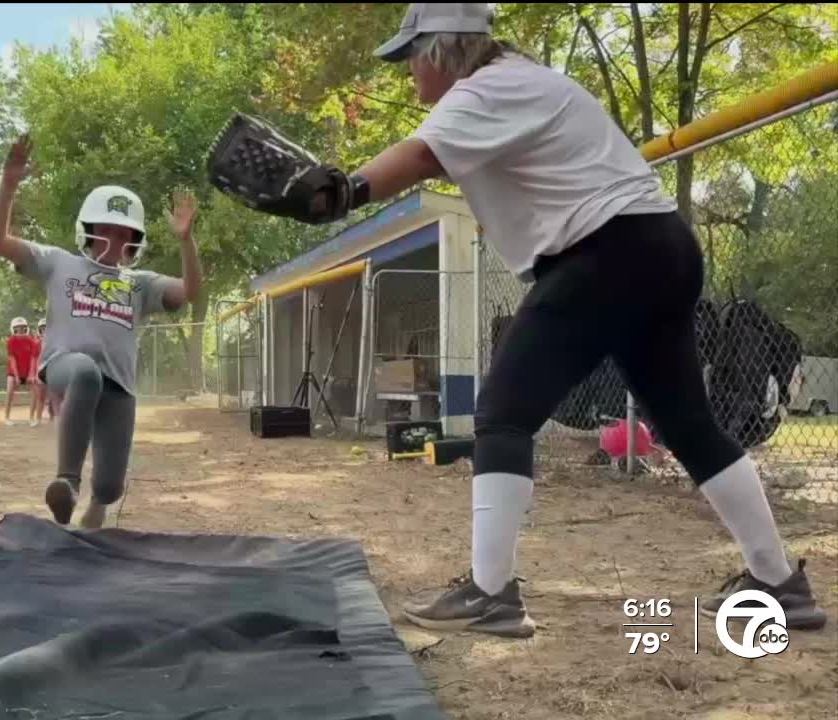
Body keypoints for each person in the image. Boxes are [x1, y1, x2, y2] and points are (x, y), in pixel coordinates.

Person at [275, 3, 827, 637]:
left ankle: (491, 595)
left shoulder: (484, 88)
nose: (408, 72)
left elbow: (423, 156)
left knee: (502, 413)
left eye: (411, 57)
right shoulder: (519, 81)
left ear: (442, 49)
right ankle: (780, 584)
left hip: (607, 251)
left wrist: (345, 191)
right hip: (660, 247)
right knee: (689, 425)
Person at [0, 135, 204, 528]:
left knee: (109, 487)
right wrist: (8, 185)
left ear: (134, 242)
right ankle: (67, 483)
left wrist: (187, 242)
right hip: (66, 366)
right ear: (88, 229)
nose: (115, 239)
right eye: (108, 229)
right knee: (86, 373)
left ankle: (95, 509)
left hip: (119, 385)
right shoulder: (59, 262)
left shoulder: (139, 283)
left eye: (125, 234)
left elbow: (190, 291)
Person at [3, 316, 39, 426]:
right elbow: (12, 360)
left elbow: (33, 359)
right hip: (14, 372)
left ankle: (31, 418)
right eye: (18, 328)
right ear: (13, 329)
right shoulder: (11, 341)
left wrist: (31, 375)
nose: (20, 329)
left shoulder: (32, 341)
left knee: (35, 390)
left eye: (23, 327)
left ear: (26, 328)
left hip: (28, 371)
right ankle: (7, 417)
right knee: (10, 390)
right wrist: (16, 377)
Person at [32, 317, 57, 423]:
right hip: (41, 370)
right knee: (41, 397)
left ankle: (52, 418)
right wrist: (35, 373)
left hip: (53, 370)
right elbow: (35, 359)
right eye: (42, 328)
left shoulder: (55, 343)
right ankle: (38, 419)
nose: (45, 330)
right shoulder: (37, 343)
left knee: (52, 397)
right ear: (40, 330)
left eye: (47, 328)